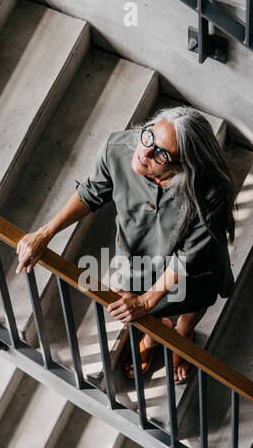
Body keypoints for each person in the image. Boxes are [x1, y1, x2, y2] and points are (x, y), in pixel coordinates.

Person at [16, 107, 236, 384]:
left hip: (190, 264)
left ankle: (184, 334)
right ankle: (154, 338)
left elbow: (188, 258)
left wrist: (145, 301)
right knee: (144, 308)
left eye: (161, 154)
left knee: (192, 301)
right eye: (149, 138)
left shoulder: (211, 191)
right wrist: (45, 232)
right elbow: (90, 193)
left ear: (184, 166)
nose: (144, 153)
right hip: (136, 253)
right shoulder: (118, 148)